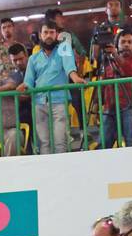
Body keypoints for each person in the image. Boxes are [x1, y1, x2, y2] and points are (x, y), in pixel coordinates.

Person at [20, 21, 85, 155]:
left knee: (60, 141)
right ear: (40, 35)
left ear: (56, 35)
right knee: (44, 143)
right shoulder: (33, 58)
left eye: (51, 32)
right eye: (45, 32)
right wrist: (22, 87)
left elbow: (69, 67)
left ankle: (61, 173)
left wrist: (75, 78)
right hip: (39, 103)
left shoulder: (63, 50)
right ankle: (47, 174)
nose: (48, 35)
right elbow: (28, 81)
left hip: (59, 101)